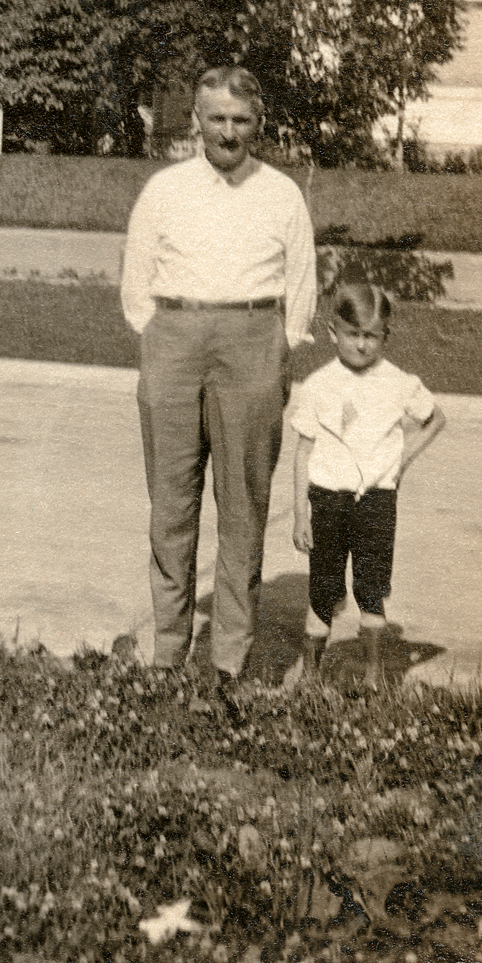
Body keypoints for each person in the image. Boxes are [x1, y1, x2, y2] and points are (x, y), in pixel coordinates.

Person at [121, 66, 317, 685]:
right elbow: (135, 277)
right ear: (196, 121)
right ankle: (167, 651)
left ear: (258, 124)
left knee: (242, 507)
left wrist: (276, 346)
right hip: (175, 338)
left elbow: (302, 283)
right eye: (217, 119)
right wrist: (158, 333)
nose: (228, 132)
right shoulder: (164, 188)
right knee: (171, 505)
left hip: (253, 341)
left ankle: (229, 659)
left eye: (241, 120)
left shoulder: (282, 192)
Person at [290, 281, 445, 686]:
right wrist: (298, 516)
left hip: (376, 500)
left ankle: (374, 674)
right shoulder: (317, 385)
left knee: (371, 586)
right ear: (332, 333)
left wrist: (401, 461)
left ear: (385, 336)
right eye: (352, 334)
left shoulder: (398, 382)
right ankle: (311, 675)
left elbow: (434, 419)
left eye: (372, 336)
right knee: (323, 588)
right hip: (326, 500)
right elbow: (303, 452)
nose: (362, 345)